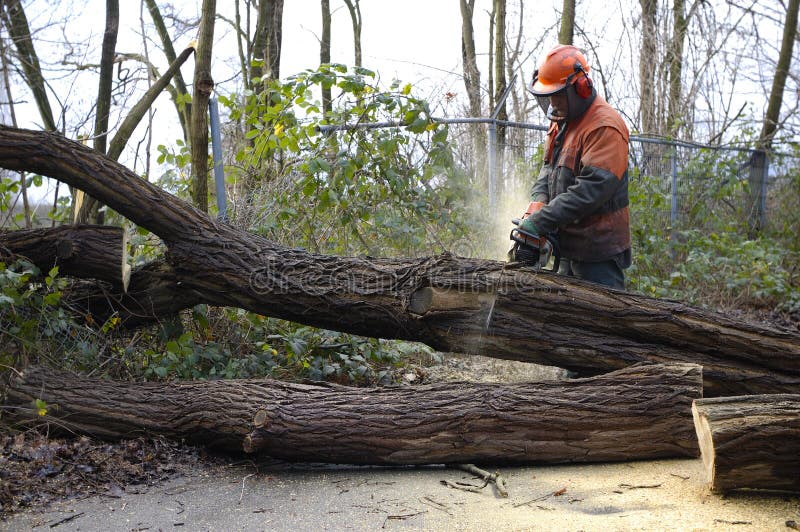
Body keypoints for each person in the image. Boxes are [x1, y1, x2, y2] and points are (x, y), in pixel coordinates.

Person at [516, 44, 631, 289]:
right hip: (568, 244)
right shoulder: (561, 121)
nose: (552, 103)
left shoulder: (604, 127)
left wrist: (542, 221)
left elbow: (589, 191)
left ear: (580, 87)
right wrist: (537, 206)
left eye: (557, 95)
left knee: (602, 321)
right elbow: (548, 170)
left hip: (598, 251)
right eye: (548, 96)